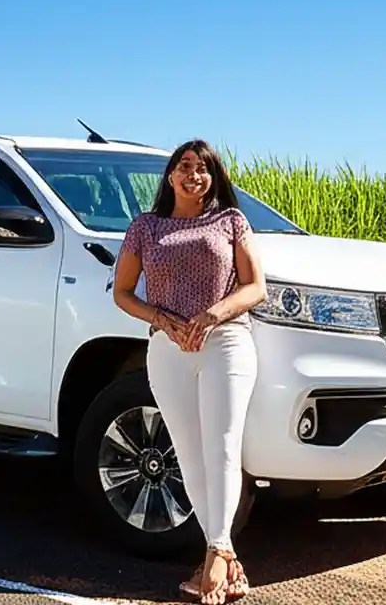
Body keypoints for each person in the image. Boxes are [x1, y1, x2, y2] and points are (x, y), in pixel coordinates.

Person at [111, 139, 267, 604]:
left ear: (213, 177)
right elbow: (122, 293)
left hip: (226, 341)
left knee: (221, 446)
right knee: (189, 453)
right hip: (168, 349)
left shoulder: (231, 221)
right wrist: (162, 320)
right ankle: (224, 555)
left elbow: (256, 286)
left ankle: (215, 557)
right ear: (170, 175)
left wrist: (212, 316)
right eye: (185, 166)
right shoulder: (145, 227)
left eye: (203, 168)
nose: (193, 174)